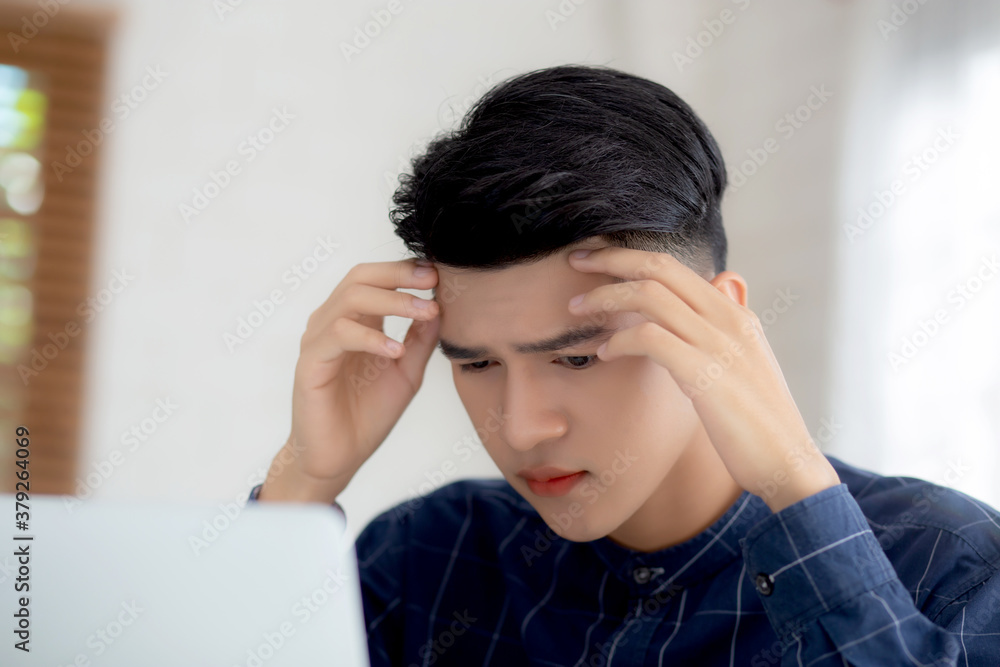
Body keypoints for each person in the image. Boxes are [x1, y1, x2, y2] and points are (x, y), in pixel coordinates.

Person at [248, 64, 1000, 665]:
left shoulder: (947, 567)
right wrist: (303, 481)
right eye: (476, 364)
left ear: (720, 322)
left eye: (576, 355)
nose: (523, 425)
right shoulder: (426, 558)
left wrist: (794, 484)